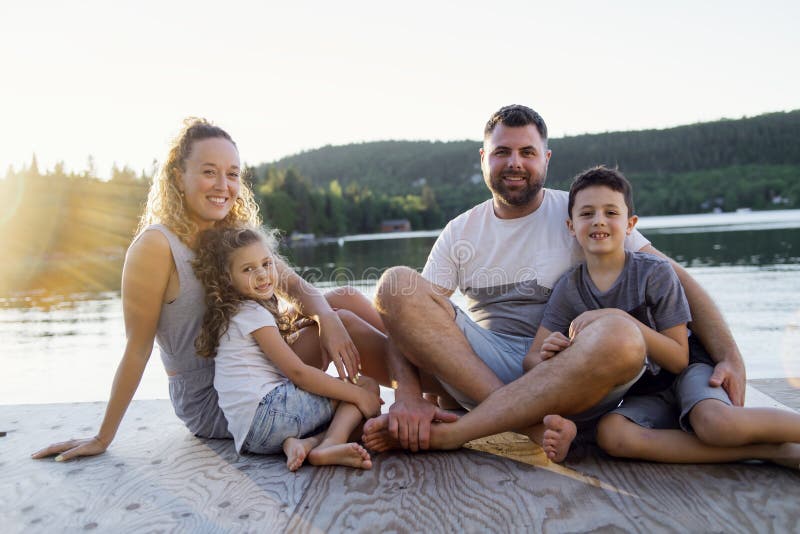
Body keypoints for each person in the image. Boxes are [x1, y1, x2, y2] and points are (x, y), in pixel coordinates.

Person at [363, 104, 746, 453]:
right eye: (502, 152)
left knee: (622, 336)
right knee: (396, 285)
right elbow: (404, 322)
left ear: (545, 159)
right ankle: (529, 425)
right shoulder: (460, 230)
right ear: (484, 159)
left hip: (573, 372)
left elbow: (674, 278)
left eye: (527, 152)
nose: (515, 163)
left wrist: (729, 354)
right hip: (483, 364)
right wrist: (407, 394)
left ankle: (476, 423)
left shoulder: (585, 212)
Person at [32, 118, 389, 462]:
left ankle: (419, 394)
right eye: (209, 172)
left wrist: (325, 317)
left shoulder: (231, 237)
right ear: (179, 177)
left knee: (343, 301)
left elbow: (298, 288)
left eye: (232, 174)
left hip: (260, 373)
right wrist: (102, 436)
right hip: (218, 400)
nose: (223, 185)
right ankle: (420, 396)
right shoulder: (157, 246)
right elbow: (136, 348)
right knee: (345, 319)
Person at [526, 166, 800, 468]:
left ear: (630, 224)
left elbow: (678, 358)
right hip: (646, 391)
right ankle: (774, 451)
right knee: (612, 435)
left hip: (690, 371)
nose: (599, 220)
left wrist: (621, 318)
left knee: (716, 425)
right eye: (587, 213)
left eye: (611, 212)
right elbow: (532, 359)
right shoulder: (570, 287)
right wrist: (553, 350)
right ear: (571, 225)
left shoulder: (654, 273)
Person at [192, 226, 382, 470]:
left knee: (349, 409)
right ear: (227, 278)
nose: (261, 275)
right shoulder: (252, 313)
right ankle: (329, 445)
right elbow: (298, 373)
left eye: (266, 264)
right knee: (367, 388)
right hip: (270, 413)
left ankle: (304, 444)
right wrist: (358, 395)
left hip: (251, 436)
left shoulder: (232, 315)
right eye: (248, 269)